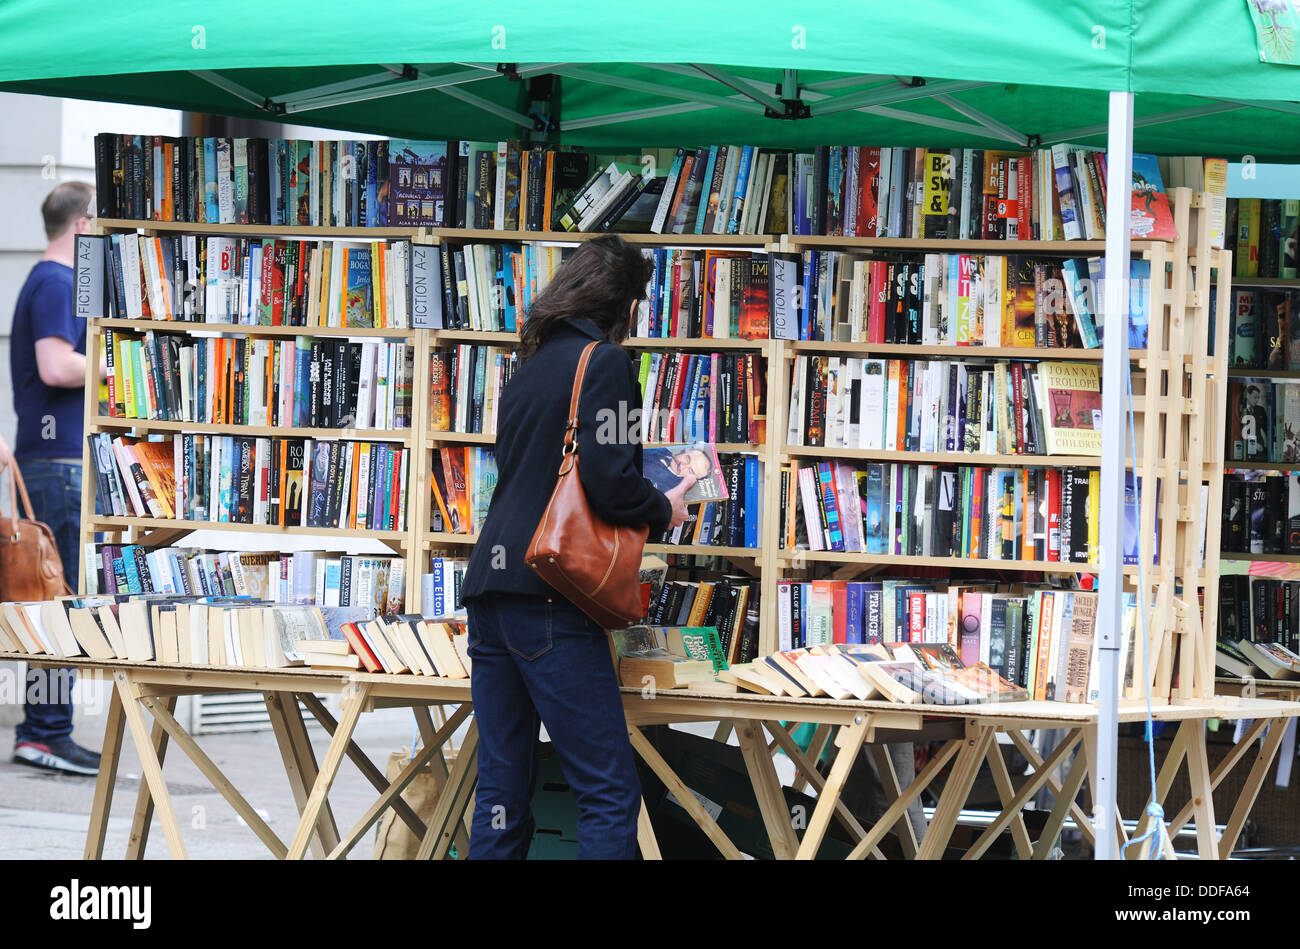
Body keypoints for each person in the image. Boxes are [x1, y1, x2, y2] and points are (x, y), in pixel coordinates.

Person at [459, 235, 695, 859]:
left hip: (490, 591)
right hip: (550, 599)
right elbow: (612, 481)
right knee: (608, 789)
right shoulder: (608, 364)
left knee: (502, 788)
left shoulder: (528, 369)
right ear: (626, 303)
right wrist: (663, 506)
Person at [8, 180, 103, 776]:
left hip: (56, 460)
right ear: (83, 225)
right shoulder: (55, 282)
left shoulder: (52, 281)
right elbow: (55, 364)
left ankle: (45, 729)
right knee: (52, 601)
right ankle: (45, 732)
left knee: (50, 599)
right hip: (57, 460)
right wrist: (126, 364)